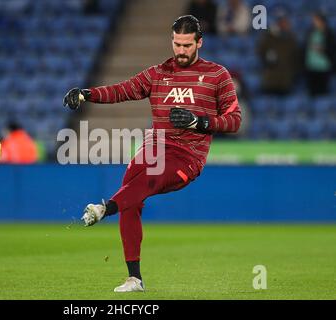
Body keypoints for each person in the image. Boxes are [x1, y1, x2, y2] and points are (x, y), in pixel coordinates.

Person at [63, 15, 241, 292]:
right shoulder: (158, 74)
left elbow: (235, 120)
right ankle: (134, 278)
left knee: (148, 181)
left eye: (187, 45)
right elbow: (123, 90)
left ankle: (103, 209)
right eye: (176, 44)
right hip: (155, 145)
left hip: (187, 157)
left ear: (199, 43)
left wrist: (200, 122)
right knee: (131, 197)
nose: (181, 51)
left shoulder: (218, 75)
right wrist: (88, 94)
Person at [257, 12, 300, 95]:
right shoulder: (269, 37)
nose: (285, 25)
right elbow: (261, 51)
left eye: (286, 23)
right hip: (271, 79)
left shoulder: (291, 39)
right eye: (282, 23)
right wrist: (270, 33)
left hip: (285, 79)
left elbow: (295, 58)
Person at [304, 12, 336, 96]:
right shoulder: (310, 33)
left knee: (322, 93)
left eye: (316, 20)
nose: (314, 22)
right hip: (311, 67)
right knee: (312, 93)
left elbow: (332, 49)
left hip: (324, 67)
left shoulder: (329, 34)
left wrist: (322, 49)